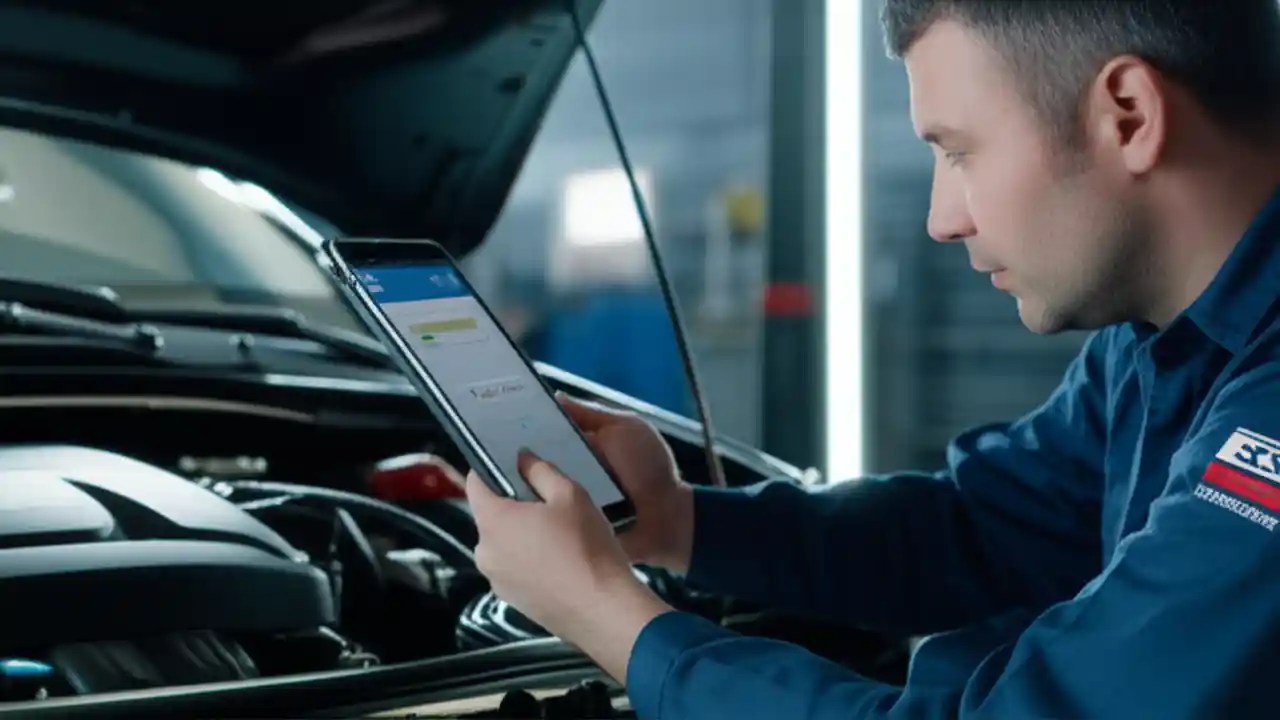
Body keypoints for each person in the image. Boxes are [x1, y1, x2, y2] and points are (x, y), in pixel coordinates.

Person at [457, 1, 1280, 717]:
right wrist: (677, 521)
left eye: (958, 152)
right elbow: (981, 530)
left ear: (1129, 115)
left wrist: (604, 614)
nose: (940, 217)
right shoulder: (1161, 341)